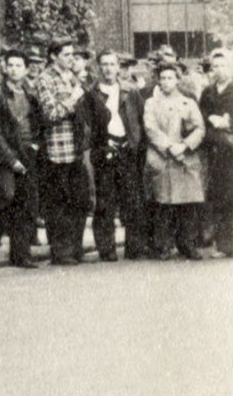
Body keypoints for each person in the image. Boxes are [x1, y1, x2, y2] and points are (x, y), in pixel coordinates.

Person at [81, 50, 147, 261]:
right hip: (105, 150)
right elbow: (87, 125)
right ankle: (106, 249)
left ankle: (134, 247)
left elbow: (140, 120)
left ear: (118, 67)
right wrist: (101, 145)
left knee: (132, 201)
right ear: (98, 67)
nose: (108, 69)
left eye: (112, 64)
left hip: (128, 150)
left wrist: (135, 144)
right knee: (105, 202)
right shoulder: (91, 94)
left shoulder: (131, 91)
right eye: (104, 64)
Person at [0, 49, 42, 267]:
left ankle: (21, 253)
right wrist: (10, 159)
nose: (15, 69)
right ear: (5, 68)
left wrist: (35, 145)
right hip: (6, 156)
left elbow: (38, 124)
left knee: (26, 204)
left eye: (19, 65)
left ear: (26, 70)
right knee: (5, 197)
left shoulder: (30, 94)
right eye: (11, 65)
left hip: (28, 152)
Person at [30, 43, 89, 265]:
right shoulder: (45, 79)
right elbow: (50, 113)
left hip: (75, 150)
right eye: (66, 55)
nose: (71, 58)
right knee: (58, 204)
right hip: (56, 150)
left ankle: (75, 247)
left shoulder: (72, 77)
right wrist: (74, 97)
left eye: (73, 54)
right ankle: (60, 251)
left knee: (80, 201)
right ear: (54, 57)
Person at [142, 60, 208, 259]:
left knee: (187, 205)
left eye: (170, 77)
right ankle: (163, 245)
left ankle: (186, 244)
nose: (166, 82)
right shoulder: (151, 103)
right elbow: (150, 129)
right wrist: (170, 147)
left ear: (178, 80)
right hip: (162, 158)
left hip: (185, 159)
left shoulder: (188, 102)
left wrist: (185, 145)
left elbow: (200, 128)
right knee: (163, 204)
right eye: (162, 78)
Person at [199, 48, 233, 255]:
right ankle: (224, 244)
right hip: (215, 151)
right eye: (215, 66)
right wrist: (210, 119)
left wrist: (228, 122)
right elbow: (200, 115)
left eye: (223, 65)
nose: (219, 70)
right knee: (219, 196)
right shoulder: (208, 91)